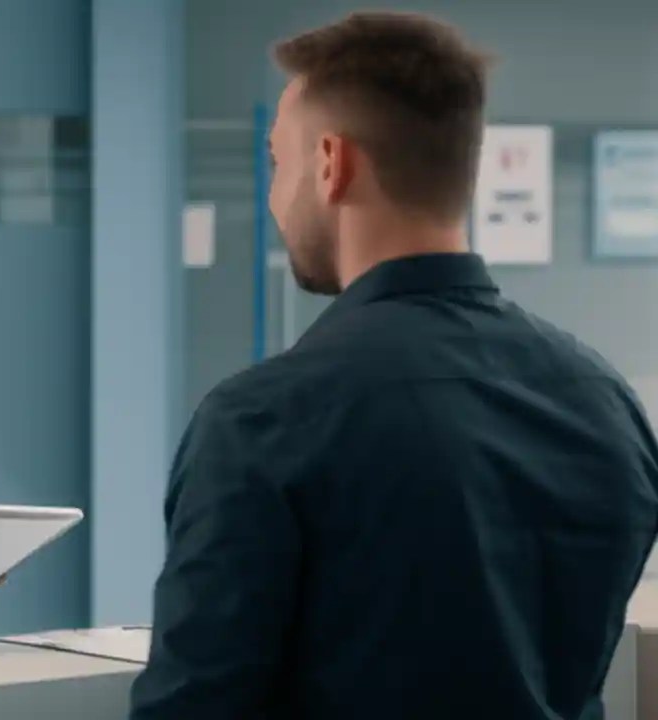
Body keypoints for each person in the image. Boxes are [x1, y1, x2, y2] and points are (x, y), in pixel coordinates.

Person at [131, 12, 658, 720]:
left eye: (277, 163)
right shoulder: (604, 402)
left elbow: (193, 706)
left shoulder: (264, 420)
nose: (274, 197)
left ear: (331, 164)